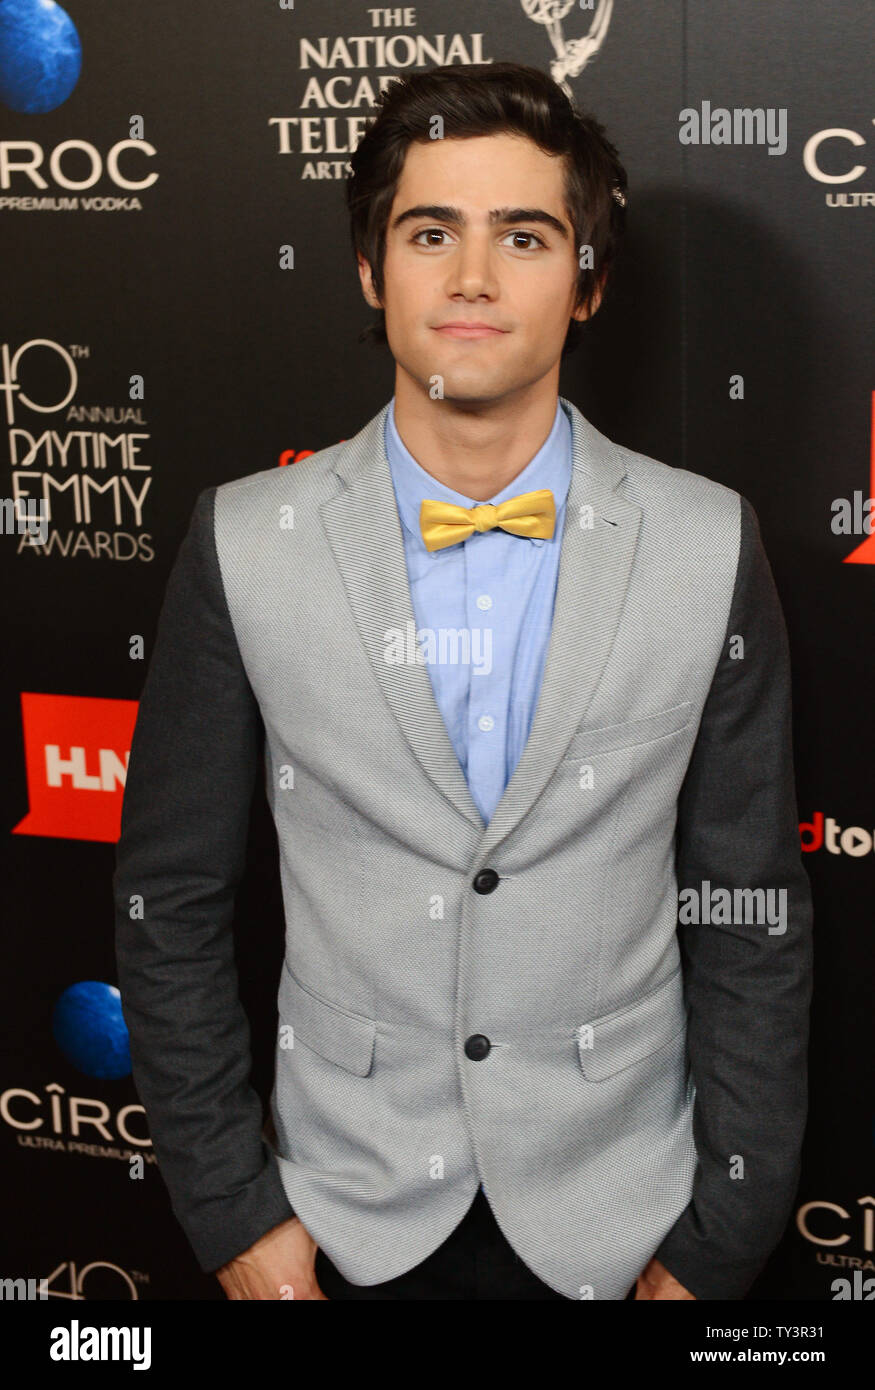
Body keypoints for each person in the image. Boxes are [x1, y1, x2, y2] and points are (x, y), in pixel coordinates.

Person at [113, 62, 813, 1301]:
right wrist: (232, 1215)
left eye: (525, 236)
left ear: (585, 281)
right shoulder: (240, 541)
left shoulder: (710, 542)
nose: (473, 277)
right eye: (430, 232)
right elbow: (169, 899)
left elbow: (747, 905)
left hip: (627, 1219)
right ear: (373, 272)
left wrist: (718, 1238)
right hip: (339, 1219)